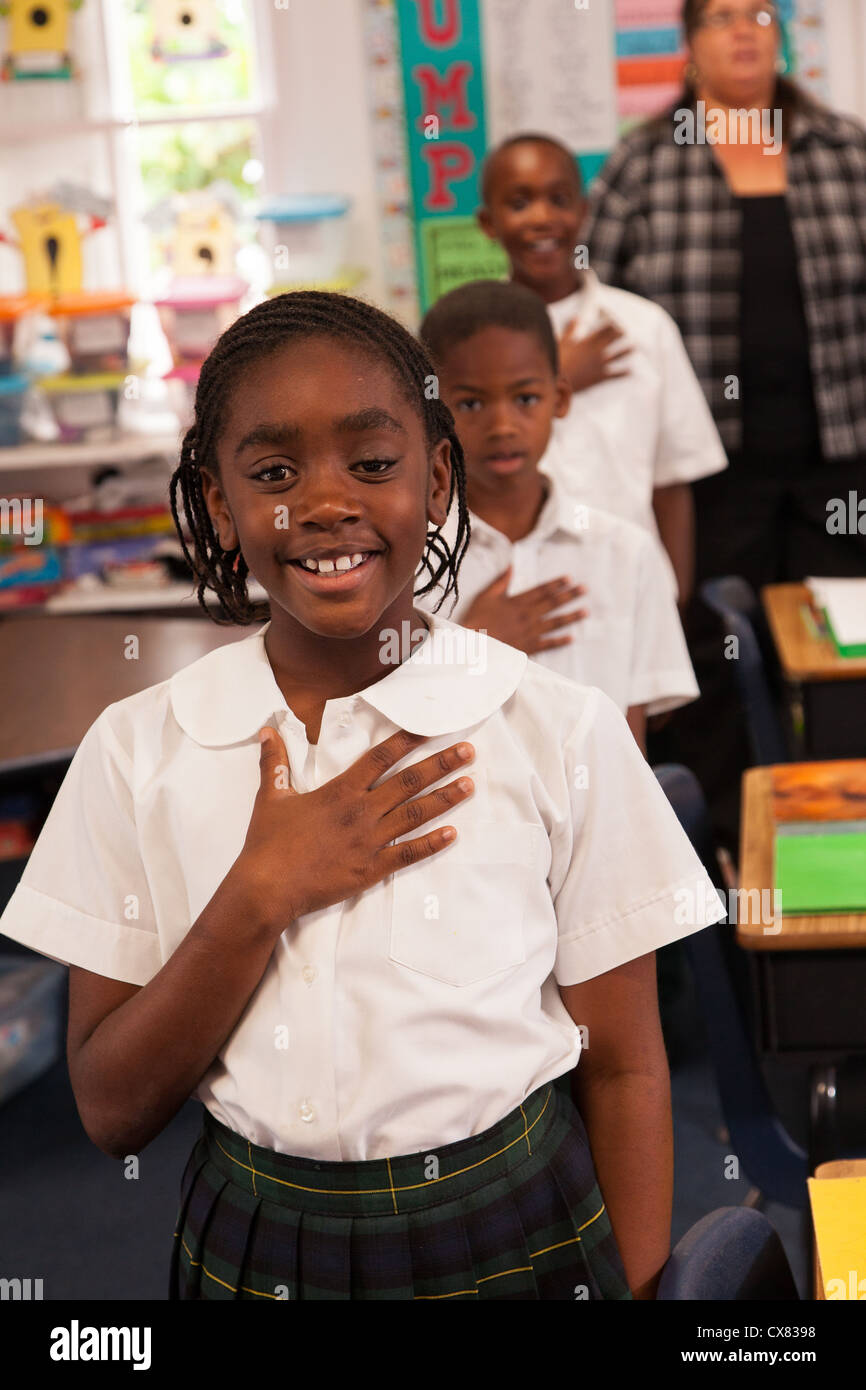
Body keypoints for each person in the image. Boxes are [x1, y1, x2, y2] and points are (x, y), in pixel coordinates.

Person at [0, 291, 724, 1302]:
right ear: (216, 502)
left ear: (434, 479)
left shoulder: (557, 728)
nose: (326, 501)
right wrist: (258, 896)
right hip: (258, 1239)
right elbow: (111, 1109)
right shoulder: (136, 750)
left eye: (372, 464)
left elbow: (626, 1071)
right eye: (273, 472)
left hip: (515, 1221)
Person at [417, 279, 698, 757]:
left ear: (560, 399)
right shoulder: (407, 560)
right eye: (471, 404)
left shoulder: (625, 553)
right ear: (433, 412)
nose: (503, 426)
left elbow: (631, 755)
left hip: (600, 824)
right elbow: (387, 728)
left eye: (525, 398)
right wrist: (475, 644)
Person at [477, 131, 728, 606]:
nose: (542, 218)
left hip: (632, 590)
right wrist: (559, 379)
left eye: (559, 199)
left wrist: (674, 598)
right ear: (488, 223)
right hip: (518, 595)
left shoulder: (643, 327)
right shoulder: (469, 337)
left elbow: (671, 483)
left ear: (585, 211)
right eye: (519, 203)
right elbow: (459, 461)